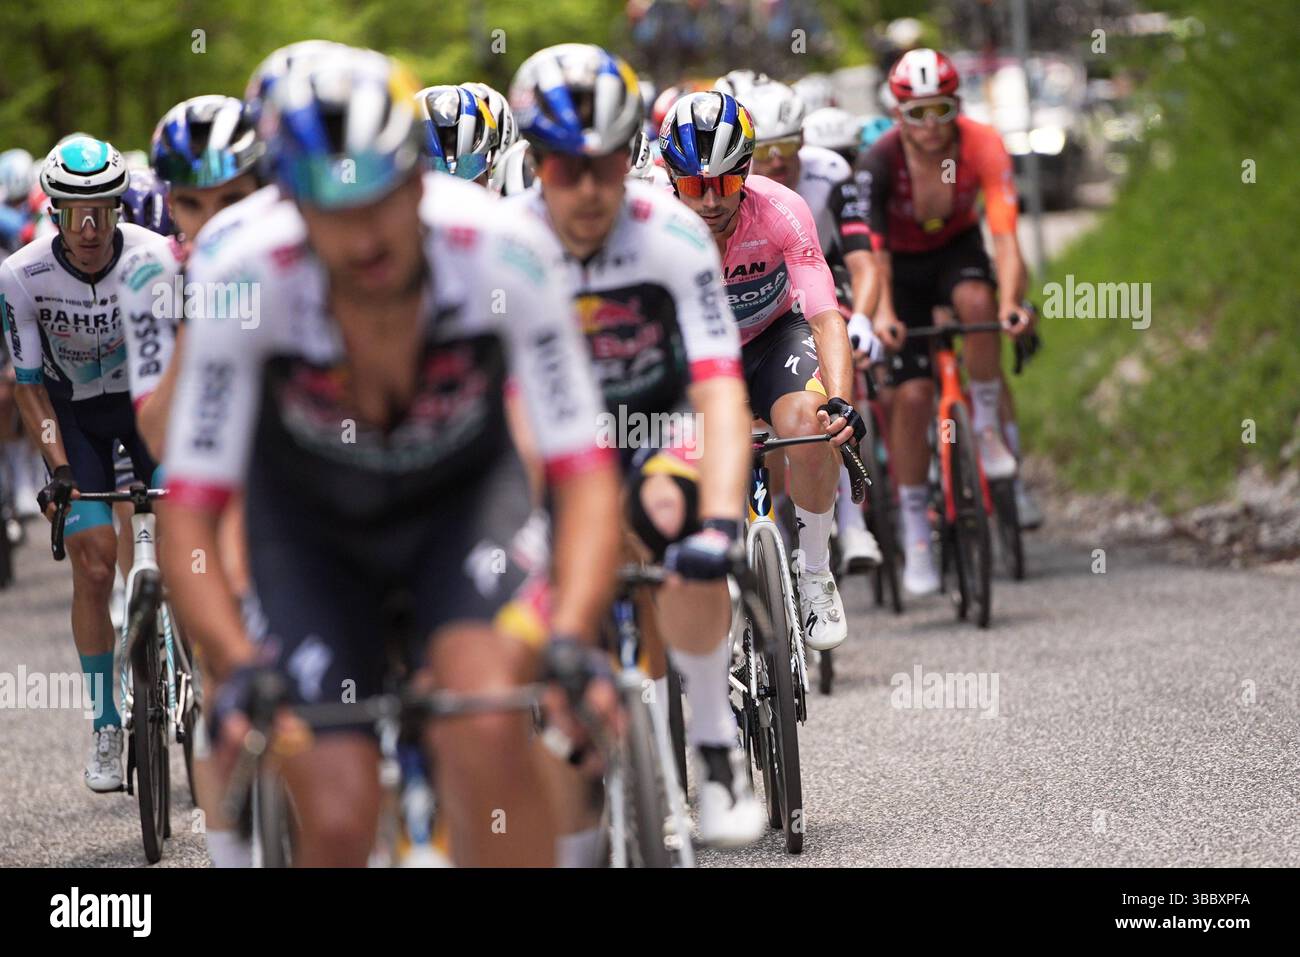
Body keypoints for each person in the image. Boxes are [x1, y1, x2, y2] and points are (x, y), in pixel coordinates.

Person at [161, 46, 621, 867]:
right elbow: (190, 508)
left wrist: (576, 634)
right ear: (292, 206)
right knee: (337, 811)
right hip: (311, 533)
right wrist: (232, 662)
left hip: (462, 510)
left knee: (488, 723)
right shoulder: (240, 277)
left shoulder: (506, 252)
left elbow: (584, 469)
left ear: (418, 183)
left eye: (381, 199)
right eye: (333, 209)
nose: (365, 234)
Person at [507, 42, 765, 849]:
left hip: (658, 422)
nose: (589, 190)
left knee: (675, 521)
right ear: (534, 162)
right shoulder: (503, 245)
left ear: (633, 156)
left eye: (607, 164)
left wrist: (720, 523)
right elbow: (498, 405)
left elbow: (719, 389)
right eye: (565, 168)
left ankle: (715, 747)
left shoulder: (673, 235)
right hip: (552, 436)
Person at [659, 90, 863, 652]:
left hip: (773, 338)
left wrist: (841, 401)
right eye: (693, 185)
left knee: (809, 422)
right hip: (695, 354)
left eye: (725, 182)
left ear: (746, 171)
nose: (709, 201)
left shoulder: (781, 210)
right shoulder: (650, 222)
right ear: (670, 177)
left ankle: (815, 570)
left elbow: (824, 315)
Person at [0, 136, 172, 791]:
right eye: (76, 212)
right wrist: (59, 468)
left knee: (191, 545)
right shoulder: (22, 275)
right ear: (55, 213)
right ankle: (104, 721)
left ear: (119, 206)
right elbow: (27, 387)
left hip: (146, 403)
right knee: (95, 562)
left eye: (102, 209)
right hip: (72, 414)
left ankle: (205, 684)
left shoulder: (157, 259)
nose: (91, 227)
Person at [855, 48, 1039, 596]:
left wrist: (1012, 304)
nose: (931, 126)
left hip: (957, 250)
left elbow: (1005, 237)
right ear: (898, 114)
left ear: (957, 106)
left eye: (942, 111)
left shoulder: (981, 142)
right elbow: (873, 254)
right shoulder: (879, 161)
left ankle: (984, 428)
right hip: (899, 269)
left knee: (980, 305)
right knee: (911, 396)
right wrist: (884, 314)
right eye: (917, 114)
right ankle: (915, 527)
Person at [740, 80, 885, 574]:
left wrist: (864, 319)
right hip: (734, 322)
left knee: (815, 420)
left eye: (787, 146)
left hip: (810, 285)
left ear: (803, 139)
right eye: (766, 150)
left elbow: (860, 265)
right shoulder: (705, 206)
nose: (777, 160)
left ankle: (841, 537)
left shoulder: (826, 175)